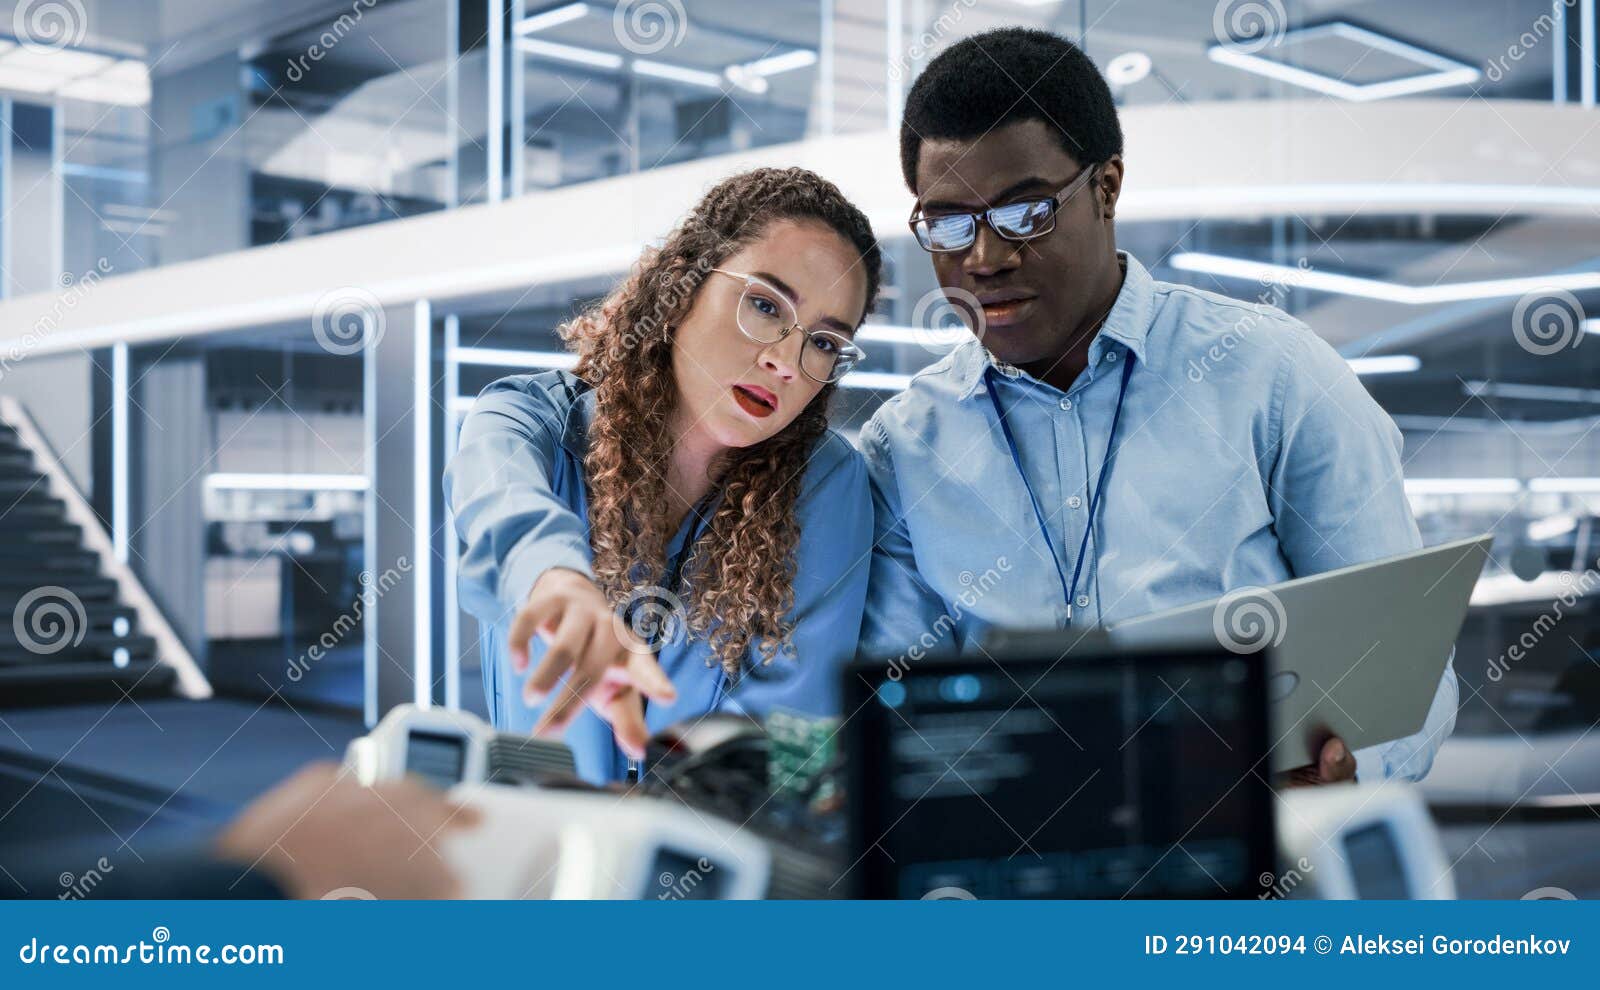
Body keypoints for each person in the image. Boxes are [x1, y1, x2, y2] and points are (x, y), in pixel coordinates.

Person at [859, 28, 1455, 785]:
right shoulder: (904, 446)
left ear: (1106, 187)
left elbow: (1414, 677)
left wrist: (1346, 767)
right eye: (947, 222)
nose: (984, 258)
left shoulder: (1274, 377)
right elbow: (887, 714)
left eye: (1024, 213)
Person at [447, 168, 880, 784]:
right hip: (539, 852)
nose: (785, 360)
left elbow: (790, 730)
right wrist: (554, 578)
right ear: (685, 283)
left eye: (825, 343)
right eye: (764, 305)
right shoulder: (531, 419)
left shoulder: (827, 484)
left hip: (705, 857)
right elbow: (499, 503)